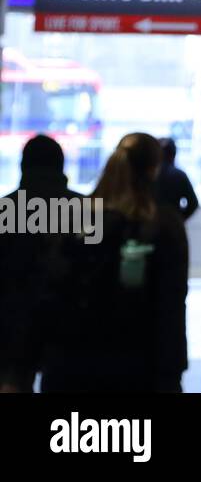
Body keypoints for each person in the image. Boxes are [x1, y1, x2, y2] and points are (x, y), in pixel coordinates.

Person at [38, 133, 188, 393]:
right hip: (137, 367)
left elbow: (49, 291)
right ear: (154, 170)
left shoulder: (76, 218)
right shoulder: (163, 226)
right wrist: (170, 376)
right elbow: (171, 306)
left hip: (71, 365)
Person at [0, 136, 84, 391]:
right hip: (69, 324)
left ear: (24, 165)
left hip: (12, 324)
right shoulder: (82, 208)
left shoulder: (6, 208)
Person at [155, 137, 199, 221]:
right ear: (173, 154)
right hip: (172, 227)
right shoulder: (179, 175)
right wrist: (179, 218)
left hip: (149, 226)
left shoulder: (147, 176)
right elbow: (193, 203)